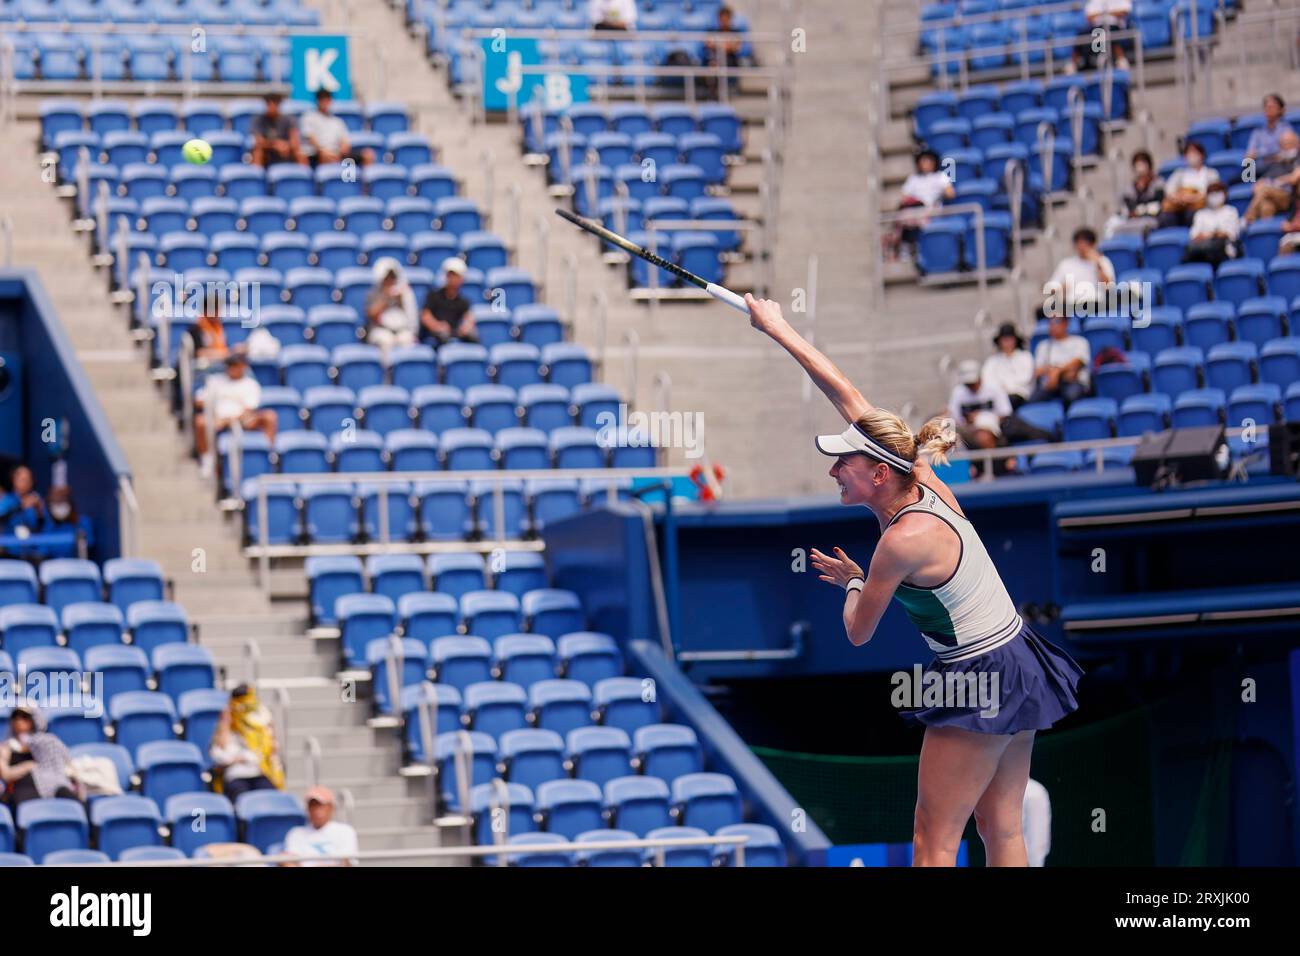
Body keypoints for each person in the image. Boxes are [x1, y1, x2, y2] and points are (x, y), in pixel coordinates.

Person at [745, 293, 1082, 867]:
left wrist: (855, 582)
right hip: (1018, 654)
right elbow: (845, 392)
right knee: (1001, 828)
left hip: (978, 673)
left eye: (843, 463)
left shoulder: (898, 543)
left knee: (934, 838)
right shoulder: (920, 477)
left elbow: (857, 633)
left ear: (878, 474)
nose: (833, 470)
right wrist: (777, 327)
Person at [194, 350, 278, 479]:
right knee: (200, 422)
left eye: (234, 365)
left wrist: (231, 420)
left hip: (243, 420)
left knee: (269, 416)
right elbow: (199, 401)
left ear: (243, 366)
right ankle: (207, 459)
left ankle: (269, 455)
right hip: (218, 419)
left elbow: (250, 409)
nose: (231, 368)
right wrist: (211, 408)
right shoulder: (215, 381)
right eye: (229, 365)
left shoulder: (250, 384)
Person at [210, 684, 285, 802]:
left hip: (259, 773)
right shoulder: (225, 730)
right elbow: (219, 757)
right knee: (242, 798)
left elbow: (265, 754)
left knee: (271, 797)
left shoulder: (261, 726)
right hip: (236, 777)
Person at [0, 705, 81, 810]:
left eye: (25, 717)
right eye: (16, 717)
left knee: (73, 802)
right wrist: (27, 766)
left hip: (51, 783)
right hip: (23, 787)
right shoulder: (6, 747)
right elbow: (6, 775)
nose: (19, 721)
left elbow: (63, 762)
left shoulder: (44, 743)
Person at [888, 150, 955, 261]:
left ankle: (921, 250)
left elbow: (951, 193)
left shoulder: (940, 176)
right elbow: (904, 197)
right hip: (914, 211)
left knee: (916, 217)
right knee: (906, 216)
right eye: (923, 161)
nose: (925, 164)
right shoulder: (913, 179)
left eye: (928, 161)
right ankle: (906, 250)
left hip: (932, 211)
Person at [1043, 227, 1115, 317]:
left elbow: (1109, 287)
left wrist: (1098, 265)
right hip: (1072, 305)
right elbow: (1051, 288)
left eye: (1085, 243)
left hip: (1097, 303)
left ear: (1093, 244)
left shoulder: (1103, 261)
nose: (1082, 246)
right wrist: (1061, 287)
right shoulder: (1066, 264)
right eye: (1079, 243)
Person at [282, 786, 359, 866]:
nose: (316, 811)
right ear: (307, 809)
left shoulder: (345, 831)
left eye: (321, 806)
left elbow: (347, 863)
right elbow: (288, 861)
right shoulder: (295, 833)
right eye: (312, 806)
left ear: (331, 807)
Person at [300, 89, 374, 167]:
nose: (325, 102)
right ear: (318, 101)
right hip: (316, 153)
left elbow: (345, 141)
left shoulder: (337, 121)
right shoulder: (308, 117)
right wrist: (323, 151)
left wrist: (342, 150)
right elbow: (310, 138)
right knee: (325, 156)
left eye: (327, 99)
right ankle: (329, 177)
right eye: (322, 99)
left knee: (368, 155)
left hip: (336, 152)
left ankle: (364, 178)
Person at [1032, 313, 1092, 406]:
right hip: (1050, 384)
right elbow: (1038, 371)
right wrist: (1052, 372)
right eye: (1050, 323)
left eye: (1056, 322)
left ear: (1066, 324)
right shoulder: (1043, 346)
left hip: (1073, 382)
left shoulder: (1079, 341)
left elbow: (1078, 362)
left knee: (1071, 396)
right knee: (1033, 400)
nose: (1052, 326)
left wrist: (1057, 372)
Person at [365, 257, 420, 352]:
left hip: (402, 330)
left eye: (392, 277)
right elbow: (371, 315)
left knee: (407, 339)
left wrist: (403, 297)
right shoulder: (374, 293)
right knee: (386, 340)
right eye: (387, 278)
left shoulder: (403, 292)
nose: (390, 280)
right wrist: (386, 298)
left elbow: (412, 316)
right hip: (381, 330)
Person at [1104, 150, 1164, 237]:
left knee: (1146, 226)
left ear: (1149, 165)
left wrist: (1142, 210)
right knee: (1112, 226)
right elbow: (1130, 210)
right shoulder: (1130, 188)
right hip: (1134, 220)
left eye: (1143, 164)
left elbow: (1158, 205)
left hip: (1153, 219)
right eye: (1137, 165)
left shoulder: (1158, 184)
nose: (1140, 168)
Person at [1244, 129, 1300, 222]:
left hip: (1288, 197)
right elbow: (1258, 183)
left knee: (1264, 190)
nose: (1286, 146)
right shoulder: (1276, 163)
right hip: (1272, 195)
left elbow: (1294, 178)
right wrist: (1259, 185)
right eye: (1283, 144)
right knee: (1266, 206)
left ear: (1297, 143)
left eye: (1289, 143)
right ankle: (1265, 234)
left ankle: (1247, 217)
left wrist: (1276, 182)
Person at [1159, 141, 1218, 228]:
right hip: (1180, 206)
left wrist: (1193, 198)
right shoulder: (1179, 173)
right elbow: (1169, 189)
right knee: (1166, 216)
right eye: (1189, 154)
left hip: (1201, 206)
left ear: (1202, 155)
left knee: (1191, 214)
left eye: (1195, 153)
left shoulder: (1211, 173)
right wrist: (1178, 197)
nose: (1192, 157)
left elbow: (1213, 191)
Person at [420, 257, 478, 345]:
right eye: (450, 275)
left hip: (454, 333)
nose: (453, 278)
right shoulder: (433, 296)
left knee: (473, 336)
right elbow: (425, 316)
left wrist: (466, 327)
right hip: (435, 336)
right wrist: (437, 326)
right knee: (442, 336)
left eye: (456, 275)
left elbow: (468, 317)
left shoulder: (463, 301)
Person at [1183, 181, 1240, 268]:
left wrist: (1209, 235)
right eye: (1211, 193)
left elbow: (1230, 234)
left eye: (1217, 193)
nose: (1214, 196)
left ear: (1224, 194)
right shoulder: (1200, 214)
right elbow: (1194, 236)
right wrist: (1214, 234)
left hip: (1225, 251)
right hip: (1202, 252)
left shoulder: (1231, 211)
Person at [981, 323, 1036, 409]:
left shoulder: (1026, 357)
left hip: (1020, 395)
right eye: (1005, 339)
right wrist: (1001, 390)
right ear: (999, 341)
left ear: (1015, 340)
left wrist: (1008, 387)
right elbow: (988, 380)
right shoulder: (992, 361)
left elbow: (1026, 377)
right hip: (999, 396)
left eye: (1010, 339)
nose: (1008, 343)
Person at [1069, 0, 1132, 73]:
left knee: (1108, 31)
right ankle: (1073, 64)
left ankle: (1120, 59)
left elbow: (1124, 11)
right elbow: (1089, 16)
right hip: (1096, 28)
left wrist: (1103, 14)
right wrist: (1109, 13)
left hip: (1115, 26)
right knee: (1082, 35)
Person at [250, 92, 304, 167]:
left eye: (274, 103)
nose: (271, 106)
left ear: (279, 105)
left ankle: (302, 176)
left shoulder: (289, 120)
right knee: (257, 152)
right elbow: (259, 142)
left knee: (300, 153)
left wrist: (286, 146)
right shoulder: (258, 120)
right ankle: (255, 177)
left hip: (286, 150)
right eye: (269, 103)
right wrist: (275, 145)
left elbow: (294, 141)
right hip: (267, 151)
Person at [1245, 93, 1295, 163]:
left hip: (1279, 166)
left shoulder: (1286, 130)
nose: (1268, 110)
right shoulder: (1258, 131)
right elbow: (1249, 154)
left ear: (1280, 110)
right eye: (1266, 107)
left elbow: (1291, 153)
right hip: (1259, 166)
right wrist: (1251, 155)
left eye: (1272, 107)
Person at [0, 465, 44, 535]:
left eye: (28, 480)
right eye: (22, 479)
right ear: (14, 480)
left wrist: (39, 510)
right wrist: (20, 506)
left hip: (33, 542)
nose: (25, 483)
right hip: (11, 543)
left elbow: (44, 526)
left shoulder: (36, 499)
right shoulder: (7, 499)